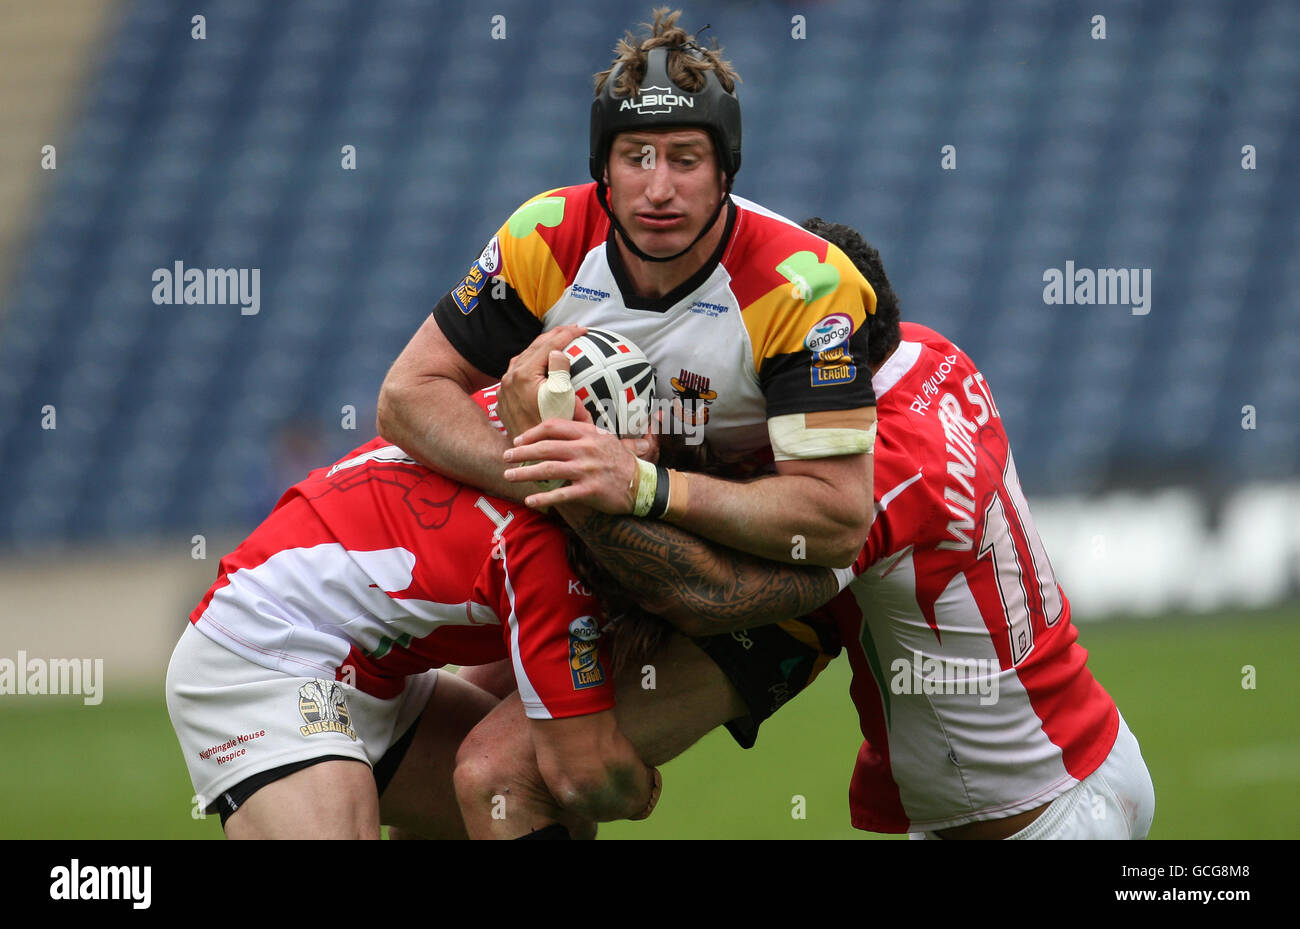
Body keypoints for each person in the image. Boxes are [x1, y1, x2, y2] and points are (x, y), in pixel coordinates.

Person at [454, 219, 1156, 840]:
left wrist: (587, 483)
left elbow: (708, 592)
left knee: (510, 765)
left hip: (1041, 813)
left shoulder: (880, 470)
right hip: (1075, 751)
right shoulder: (930, 354)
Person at [377, 9, 879, 573]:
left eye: (686, 160)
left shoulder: (804, 286)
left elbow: (839, 523)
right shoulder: (543, 236)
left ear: (725, 171)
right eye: (635, 158)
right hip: (611, 517)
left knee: (675, 649)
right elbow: (406, 395)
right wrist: (551, 480)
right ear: (604, 170)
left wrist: (642, 489)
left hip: (747, 540)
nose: (659, 189)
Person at [165, 391, 660, 840]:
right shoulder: (546, 553)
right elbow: (586, 772)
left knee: (532, 804)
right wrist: (641, 789)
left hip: (367, 673)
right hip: (259, 658)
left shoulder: (469, 414)